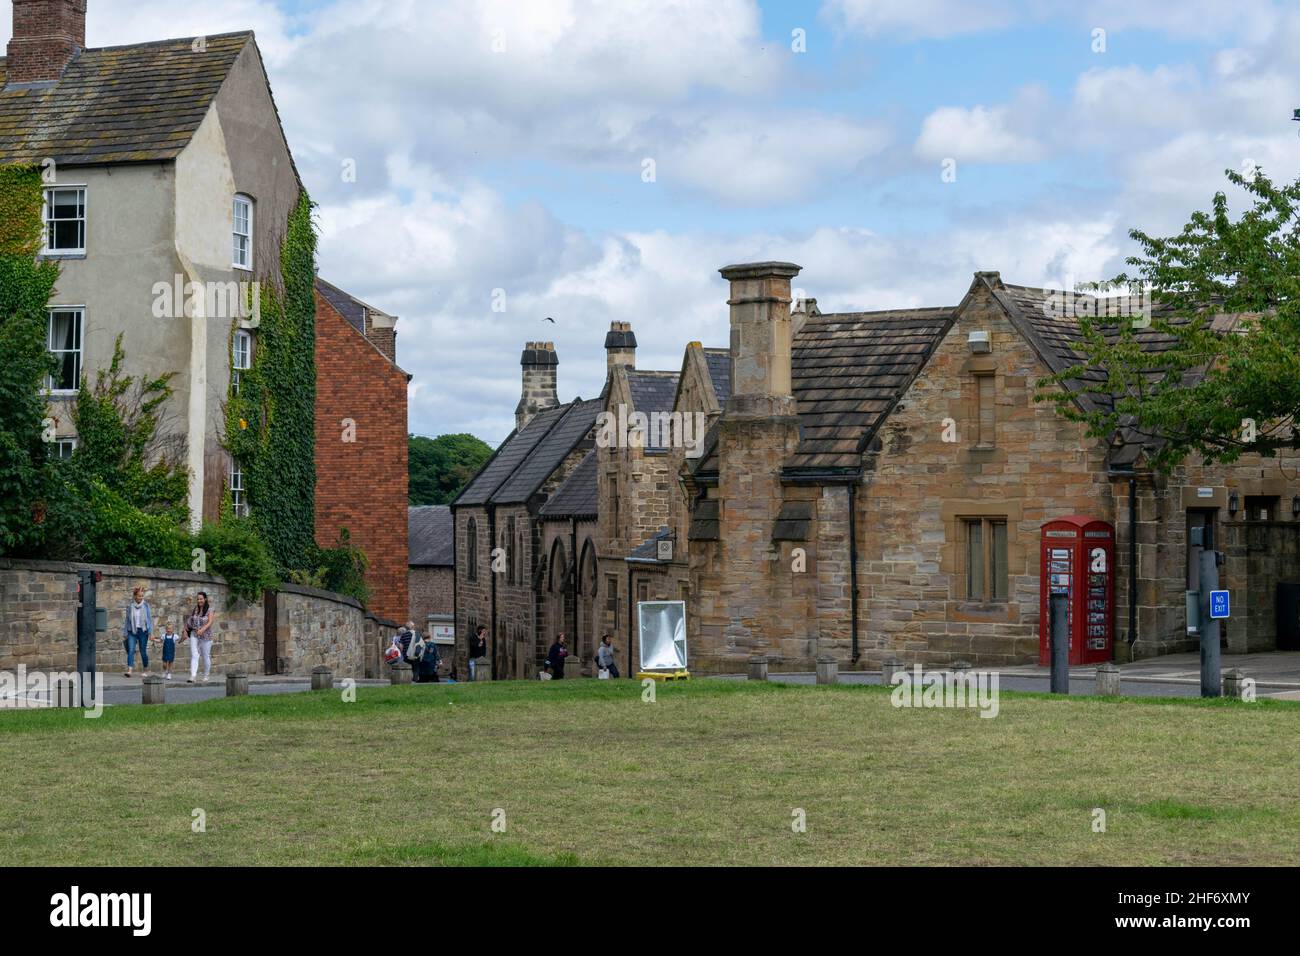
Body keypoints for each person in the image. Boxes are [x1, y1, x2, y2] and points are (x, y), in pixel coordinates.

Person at [184, 591, 215, 684]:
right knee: (194, 654)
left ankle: (206, 675)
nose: (199, 600)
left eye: (201, 599)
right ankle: (193, 676)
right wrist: (185, 630)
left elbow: (210, 622)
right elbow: (190, 620)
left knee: (205, 656)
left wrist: (203, 629)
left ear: (205, 599)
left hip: (206, 636)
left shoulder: (210, 609)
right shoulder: (195, 609)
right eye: (198, 599)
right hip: (195, 634)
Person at [122, 587, 152, 678]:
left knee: (143, 651)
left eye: (142, 596)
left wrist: (150, 632)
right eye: (139, 596)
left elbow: (149, 620)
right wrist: (125, 632)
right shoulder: (130, 606)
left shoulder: (146, 606)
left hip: (143, 631)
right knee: (131, 650)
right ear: (135, 596)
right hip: (132, 631)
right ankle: (130, 670)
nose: (141, 598)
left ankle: (146, 669)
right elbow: (127, 620)